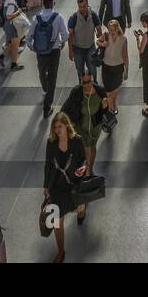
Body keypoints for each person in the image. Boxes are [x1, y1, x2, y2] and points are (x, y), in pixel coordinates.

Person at [43, 112, 89, 263]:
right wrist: (46, 186)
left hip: (73, 184)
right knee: (57, 221)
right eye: (55, 127)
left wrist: (82, 168)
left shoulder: (76, 141)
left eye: (60, 126)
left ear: (67, 125)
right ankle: (61, 252)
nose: (57, 130)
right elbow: (48, 165)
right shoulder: (51, 143)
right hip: (57, 186)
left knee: (79, 208)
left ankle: (82, 211)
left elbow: (83, 160)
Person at [28, 0, 67, 117]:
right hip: (54, 51)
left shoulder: (36, 18)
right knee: (52, 78)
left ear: (43, 4)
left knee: (41, 71)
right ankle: (47, 107)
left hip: (40, 51)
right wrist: (61, 43)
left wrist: (32, 46)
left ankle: (45, 87)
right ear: (53, 3)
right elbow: (65, 34)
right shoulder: (58, 17)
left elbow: (29, 35)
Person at [96, 19, 129, 112]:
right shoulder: (106, 35)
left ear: (118, 29)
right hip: (106, 67)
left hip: (118, 68)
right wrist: (103, 44)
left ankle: (114, 102)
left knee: (116, 89)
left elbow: (125, 55)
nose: (111, 32)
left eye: (113, 30)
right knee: (108, 90)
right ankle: (110, 107)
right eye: (110, 29)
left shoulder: (123, 39)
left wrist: (127, 71)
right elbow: (97, 42)